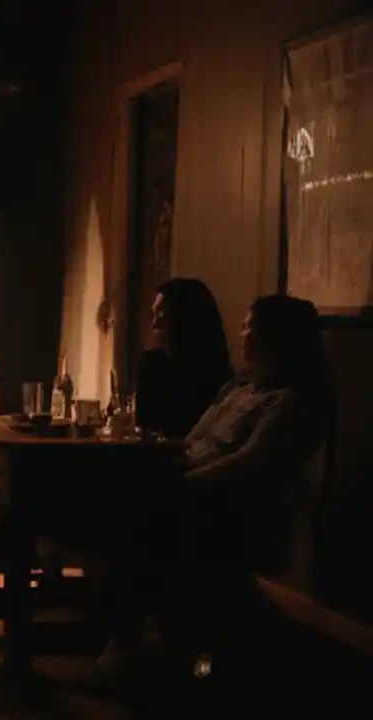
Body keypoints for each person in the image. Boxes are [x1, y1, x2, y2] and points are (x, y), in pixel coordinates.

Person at [99, 293, 332, 683]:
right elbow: (192, 440)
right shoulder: (239, 389)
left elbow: (250, 463)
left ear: (278, 340)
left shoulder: (293, 400)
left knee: (142, 510)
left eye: (251, 328)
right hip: (190, 481)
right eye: (242, 327)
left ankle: (137, 638)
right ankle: (124, 630)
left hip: (231, 503)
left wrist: (183, 483)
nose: (242, 336)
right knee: (115, 485)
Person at [135, 278, 234, 438]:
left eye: (162, 316)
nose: (154, 325)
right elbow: (144, 427)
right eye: (153, 315)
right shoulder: (150, 364)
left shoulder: (214, 374)